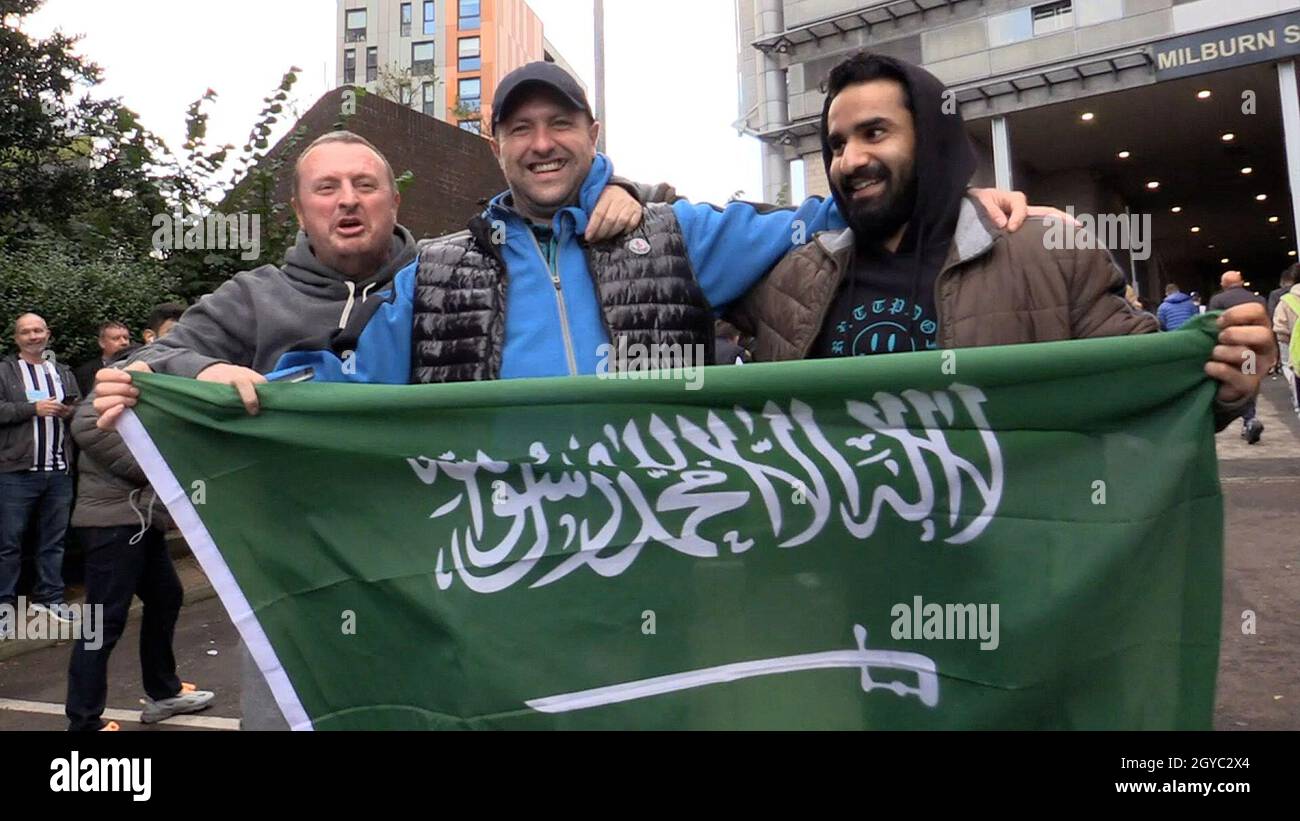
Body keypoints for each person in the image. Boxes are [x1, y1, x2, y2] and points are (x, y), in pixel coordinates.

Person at [90, 130, 647, 729]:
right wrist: (201, 372)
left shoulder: (456, 273)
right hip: (296, 596)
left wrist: (619, 190)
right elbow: (110, 404)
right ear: (300, 211)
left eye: (365, 184)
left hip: (442, 585)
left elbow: (547, 231)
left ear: (394, 202)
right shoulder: (249, 300)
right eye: (326, 188)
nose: (347, 200)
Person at [725, 52, 1274, 436]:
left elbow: (1150, 397)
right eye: (836, 144)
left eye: (875, 133)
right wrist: (633, 194)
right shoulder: (792, 278)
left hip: (1014, 583)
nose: (849, 160)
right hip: (845, 582)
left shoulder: (1052, 255)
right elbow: (673, 242)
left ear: (933, 141)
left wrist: (1230, 383)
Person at [66, 304, 214, 731]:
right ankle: (83, 722)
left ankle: (164, 692)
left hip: (140, 520)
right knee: (103, 620)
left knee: (166, 596)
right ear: (153, 337)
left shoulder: (171, 376)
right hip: (111, 522)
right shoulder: (132, 368)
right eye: (173, 332)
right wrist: (153, 467)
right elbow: (87, 424)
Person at [0, 313, 81, 636]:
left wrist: (68, 411)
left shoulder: (61, 371)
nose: (33, 336)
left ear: (47, 334)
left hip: (58, 469)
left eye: (38, 330)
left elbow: (78, 407)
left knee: (54, 541)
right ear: (16, 338)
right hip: (16, 472)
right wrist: (32, 409)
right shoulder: (5, 371)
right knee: (8, 544)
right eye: (26, 332)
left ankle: (49, 597)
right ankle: (4, 606)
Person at [1203, 271, 1268, 442]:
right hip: (1251, 349)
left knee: (1231, 384)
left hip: (1228, 350)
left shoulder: (1217, 300)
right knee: (1249, 381)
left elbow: (1210, 325)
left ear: (1223, 284)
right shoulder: (1258, 300)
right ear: (1242, 282)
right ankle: (1250, 418)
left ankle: (1246, 419)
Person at [73, 322, 131, 397]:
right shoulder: (85, 373)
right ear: (102, 343)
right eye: (116, 338)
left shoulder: (139, 366)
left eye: (126, 338)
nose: (124, 342)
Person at [1274, 272, 1300, 415]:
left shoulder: (1286, 300)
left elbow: (1280, 327)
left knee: (1291, 368)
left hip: (1294, 347)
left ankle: (1297, 400)